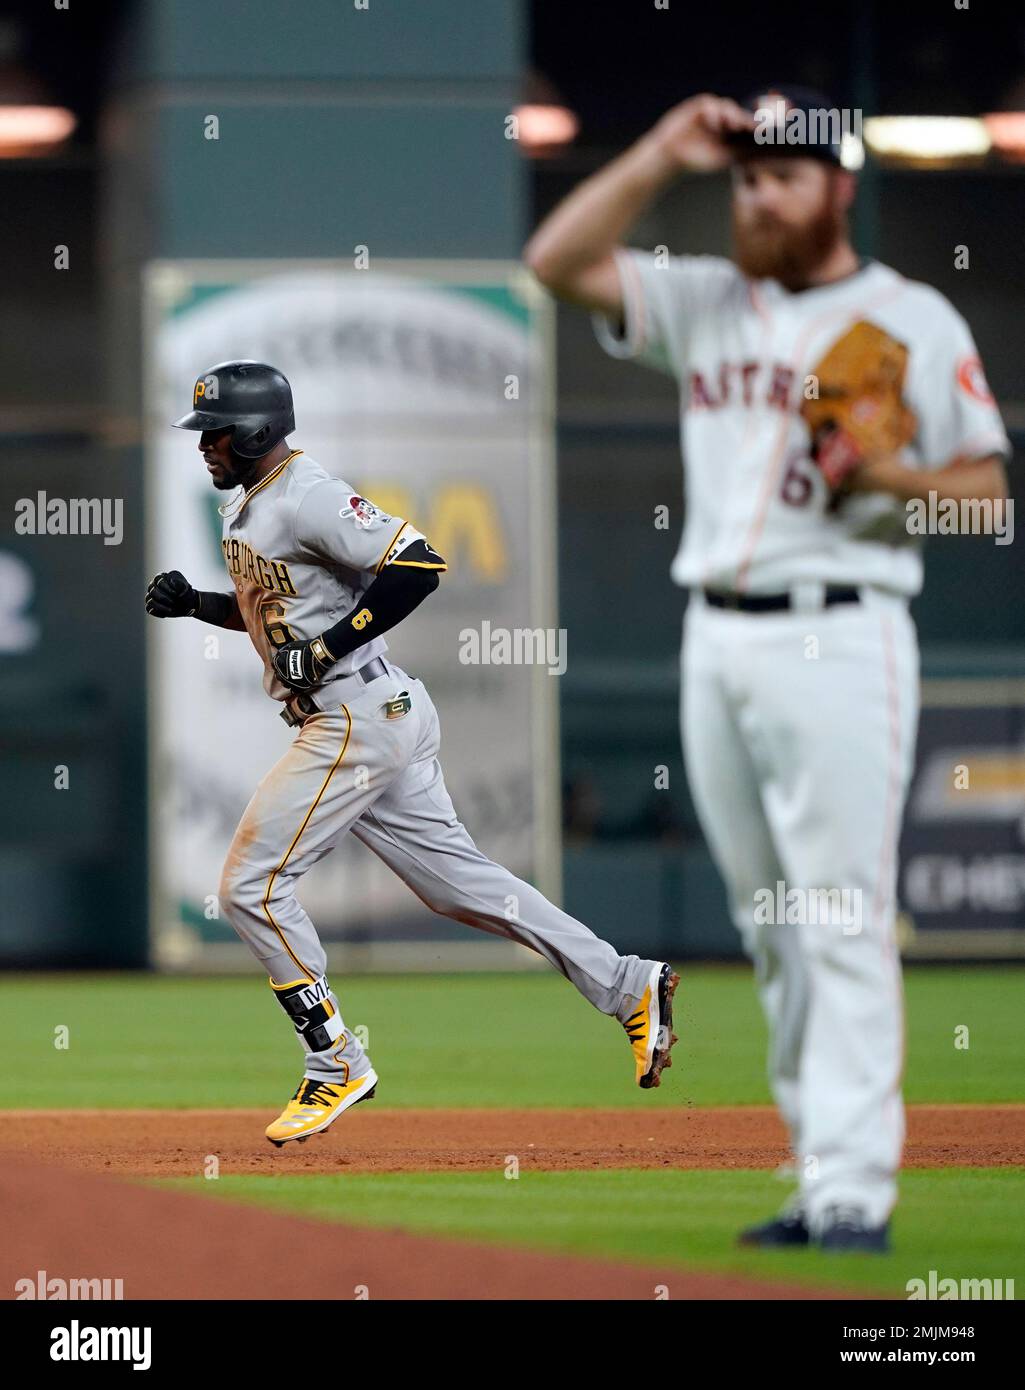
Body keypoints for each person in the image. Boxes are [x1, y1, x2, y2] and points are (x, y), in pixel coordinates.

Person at [524, 88, 1010, 1251]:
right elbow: (554, 259)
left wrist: (882, 476)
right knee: (770, 923)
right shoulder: (707, 301)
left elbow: (986, 501)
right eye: (741, 178)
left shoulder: (911, 316)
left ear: (837, 186)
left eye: (780, 176)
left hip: (840, 632)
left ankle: (854, 1190)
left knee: (837, 914)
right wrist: (658, 149)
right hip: (718, 633)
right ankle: (816, 1177)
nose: (756, 195)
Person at [146, 359, 678, 1146]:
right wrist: (202, 606)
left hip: (355, 715)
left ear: (256, 431)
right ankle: (629, 984)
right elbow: (285, 621)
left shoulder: (306, 493)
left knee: (251, 887)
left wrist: (326, 651)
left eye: (215, 432)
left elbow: (418, 564)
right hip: (374, 710)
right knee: (464, 888)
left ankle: (334, 1060)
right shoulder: (253, 507)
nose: (204, 445)